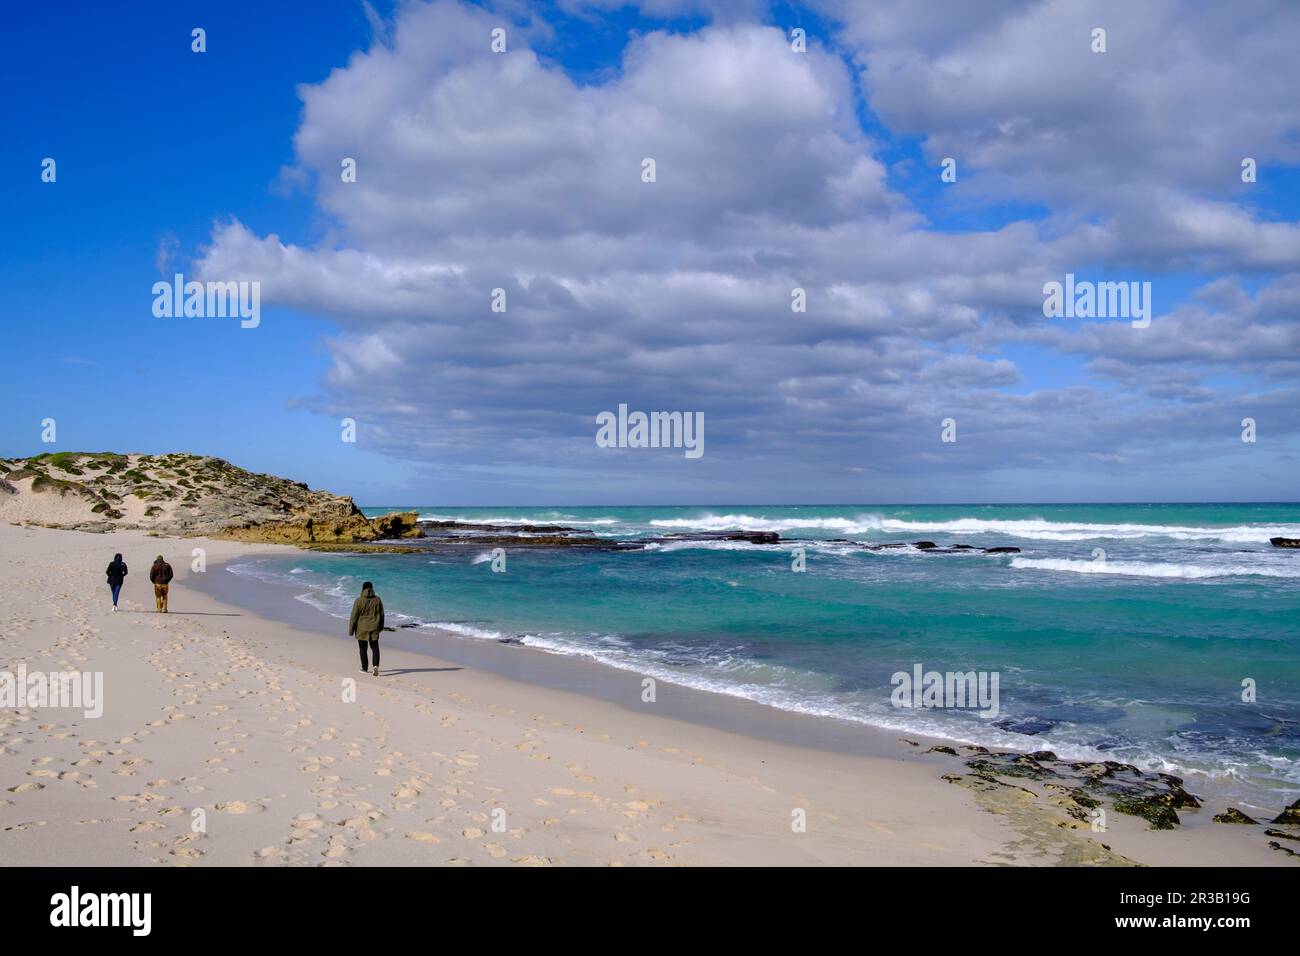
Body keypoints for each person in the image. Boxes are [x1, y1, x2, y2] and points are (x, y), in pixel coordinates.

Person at [348, 581, 385, 676]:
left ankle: (364, 668)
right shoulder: (378, 600)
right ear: (372, 589)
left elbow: (354, 616)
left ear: (363, 589)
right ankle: (375, 666)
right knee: (375, 648)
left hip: (362, 628)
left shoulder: (359, 600)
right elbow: (381, 615)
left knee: (363, 649)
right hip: (374, 627)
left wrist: (351, 630)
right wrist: (380, 627)